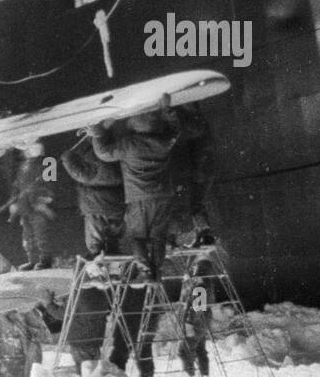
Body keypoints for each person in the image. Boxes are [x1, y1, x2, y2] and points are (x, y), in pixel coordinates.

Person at [90, 95, 180, 280]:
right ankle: (146, 270)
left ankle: (154, 270)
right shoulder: (157, 143)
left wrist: (166, 109)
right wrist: (97, 131)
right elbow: (104, 153)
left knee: (155, 236)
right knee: (137, 237)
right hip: (147, 197)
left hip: (154, 197)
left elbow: (104, 152)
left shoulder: (140, 143)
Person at [61, 138, 126, 257]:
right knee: (113, 240)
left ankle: (98, 268)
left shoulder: (92, 154)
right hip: (117, 205)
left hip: (96, 206)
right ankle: (115, 267)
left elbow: (80, 173)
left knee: (95, 242)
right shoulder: (114, 151)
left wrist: (67, 158)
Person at [169, 103, 217, 246]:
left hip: (190, 167)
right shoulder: (191, 209)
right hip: (189, 166)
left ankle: (185, 107)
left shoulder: (193, 208)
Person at [8, 141, 56, 270]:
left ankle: (45, 260)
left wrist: (45, 199)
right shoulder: (24, 165)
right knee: (28, 236)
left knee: (41, 234)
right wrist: (13, 202)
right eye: (33, 146)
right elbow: (16, 186)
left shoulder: (48, 162)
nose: (36, 149)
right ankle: (32, 260)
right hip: (25, 206)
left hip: (38, 206)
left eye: (38, 145)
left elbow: (50, 184)